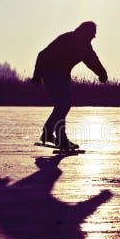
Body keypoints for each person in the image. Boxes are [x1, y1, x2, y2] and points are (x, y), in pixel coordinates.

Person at [32, 21, 108, 151]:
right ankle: (55, 136)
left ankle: (50, 134)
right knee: (63, 105)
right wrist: (101, 73)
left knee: (62, 105)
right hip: (53, 74)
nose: (93, 37)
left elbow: (91, 58)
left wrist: (38, 75)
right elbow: (91, 59)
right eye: (92, 34)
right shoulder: (79, 41)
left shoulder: (74, 38)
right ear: (86, 32)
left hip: (58, 74)